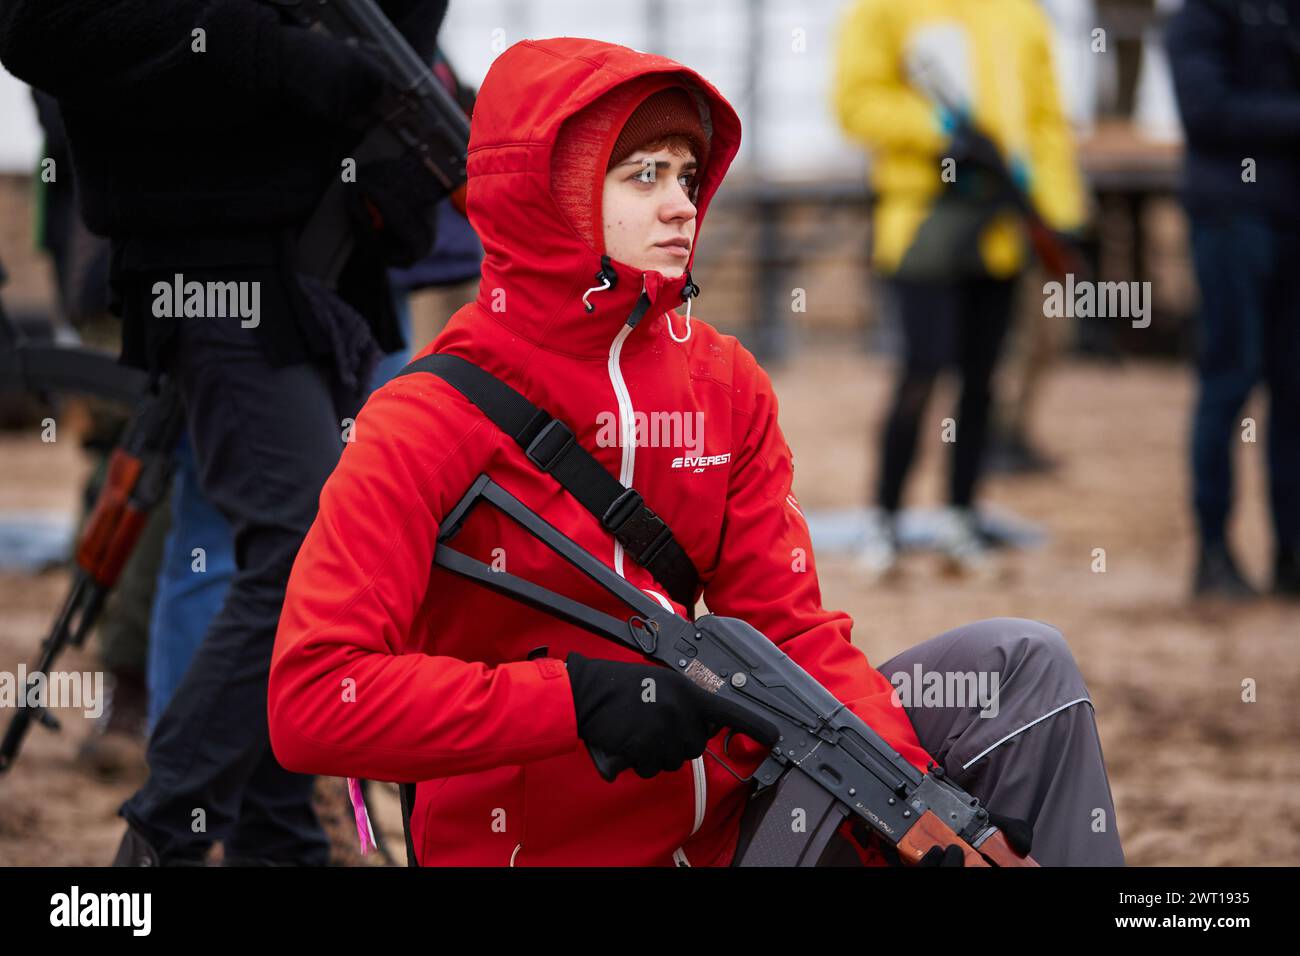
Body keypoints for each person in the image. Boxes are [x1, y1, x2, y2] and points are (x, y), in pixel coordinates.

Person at [268, 37, 1124, 867]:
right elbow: (311, 702)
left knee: (1020, 666)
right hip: (532, 852)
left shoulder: (725, 382)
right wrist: (573, 700)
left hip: (735, 835)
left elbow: (792, 636)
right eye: (643, 175)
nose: (683, 203)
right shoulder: (422, 418)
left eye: (685, 173)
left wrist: (926, 811)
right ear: (549, 191)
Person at [0, 0, 450, 865]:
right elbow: (41, 30)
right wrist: (276, 57)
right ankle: (158, 844)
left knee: (303, 558)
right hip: (212, 268)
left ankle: (274, 839)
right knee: (298, 550)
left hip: (319, 280)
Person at [832, 0, 1087, 578]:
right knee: (921, 372)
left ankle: (961, 516)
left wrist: (1058, 210)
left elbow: (1046, 119)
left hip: (1002, 227)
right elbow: (855, 103)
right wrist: (938, 130)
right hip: (924, 225)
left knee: (983, 379)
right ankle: (886, 519)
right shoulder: (883, 9)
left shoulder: (1021, 14)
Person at [1167, 0, 1300, 600]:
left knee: (1295, 389)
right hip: (1229, 217)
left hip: (1290, 216)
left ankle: (1290, 553)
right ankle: (1214, 551)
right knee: (1229, 381)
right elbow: (1206, 111)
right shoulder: (1200, 13)